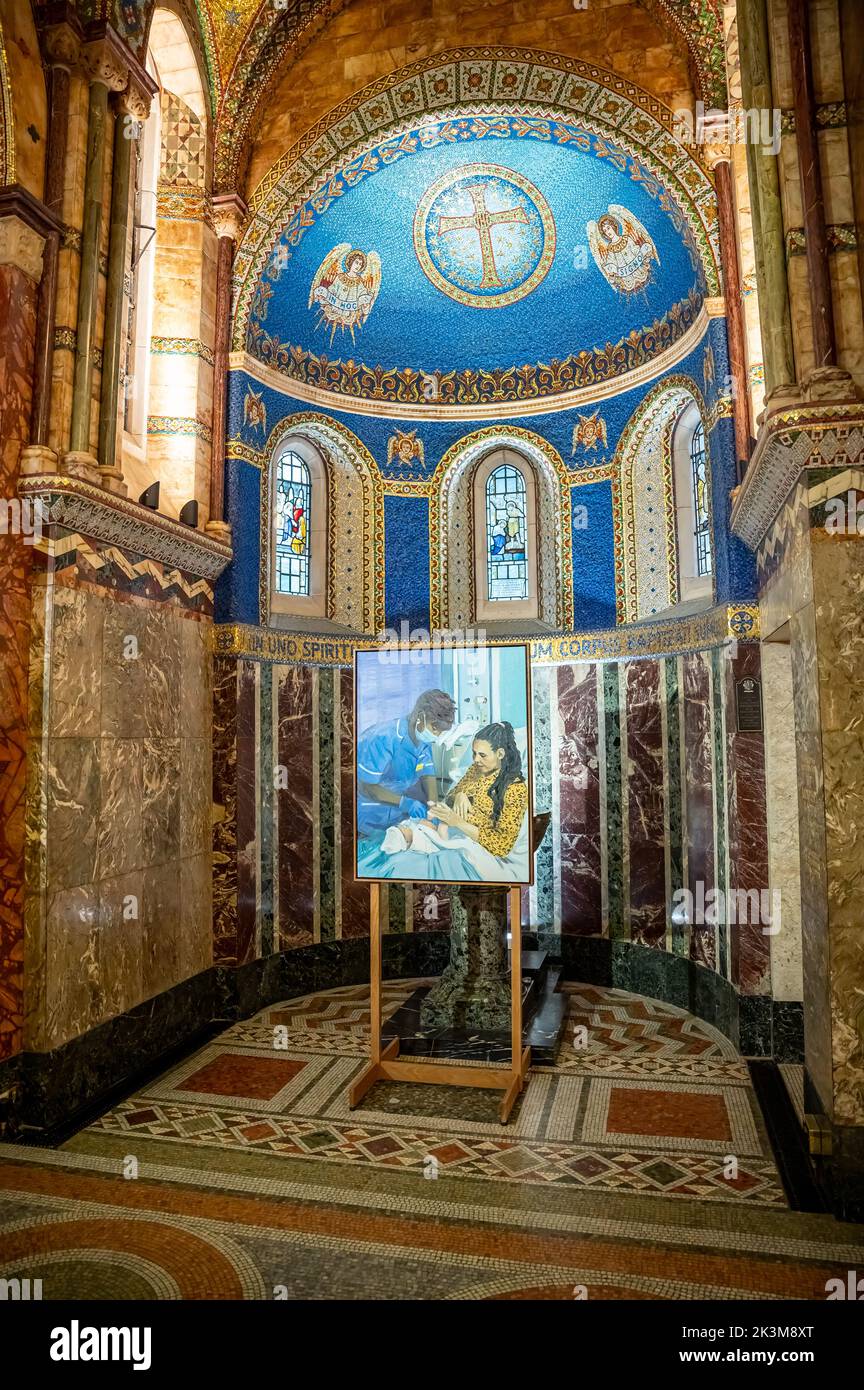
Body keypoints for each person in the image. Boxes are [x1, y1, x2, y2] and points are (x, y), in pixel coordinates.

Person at [356, 689, 456, 836]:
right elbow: (366, 786)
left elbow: (427, 774)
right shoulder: (382, 738)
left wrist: (433, 805)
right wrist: (405, 803)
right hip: (369, 814)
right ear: (419, 717)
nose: (437, 736)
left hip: (398, 815)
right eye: (434, 729)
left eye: (441, 732)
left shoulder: (422, 741)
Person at [429, 720, 528, 859]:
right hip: (455, 830)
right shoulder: (476, 769)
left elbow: (502, 845)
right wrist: (460, 795)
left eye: (482, 755)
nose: (475, 759)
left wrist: (458, 822)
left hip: (479, 848)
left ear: (500, 754)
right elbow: (450, 797)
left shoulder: (515, 789)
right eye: (474, 753)